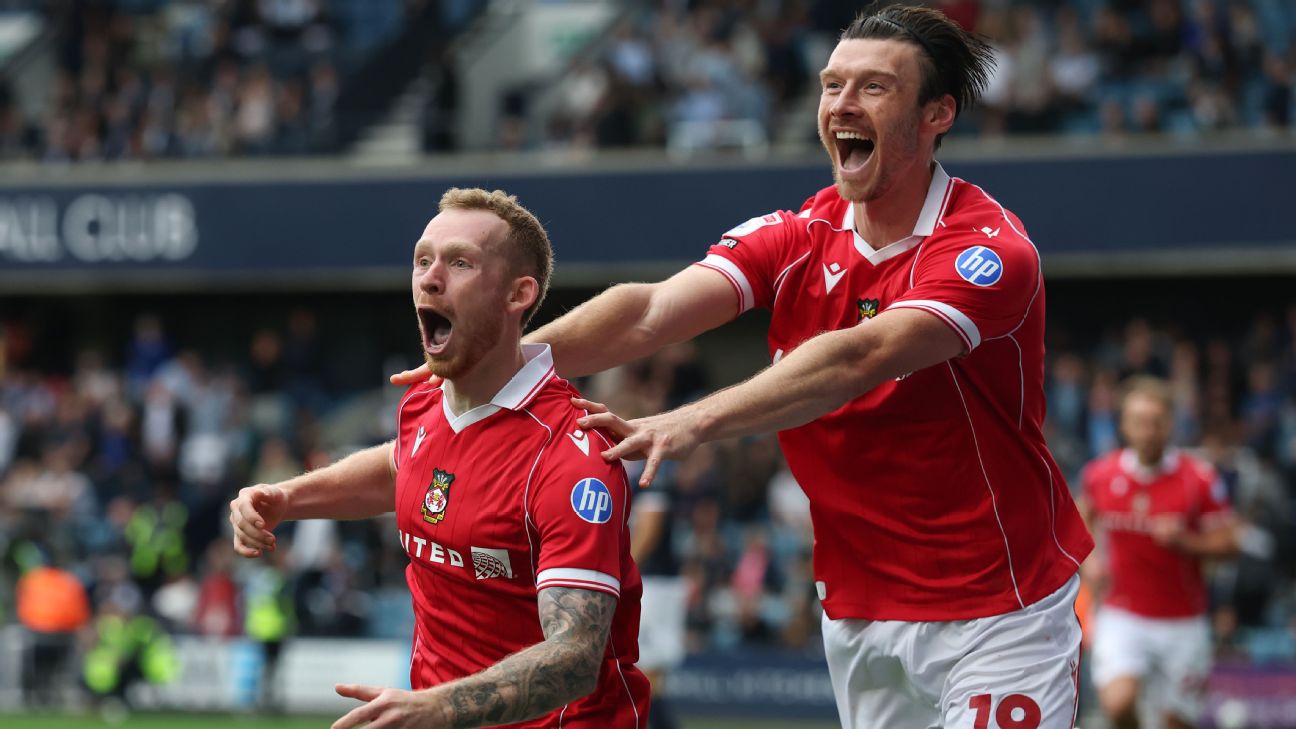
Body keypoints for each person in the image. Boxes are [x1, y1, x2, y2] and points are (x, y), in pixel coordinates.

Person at [394, 5, 1094, 727]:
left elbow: (866, 353)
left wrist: (696, 418)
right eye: (831, 85)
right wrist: (501, 358)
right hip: (858, 613)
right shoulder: (796, 235)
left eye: (875, 87)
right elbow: (649, 311)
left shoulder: (987, 250)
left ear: (936, 114)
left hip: (997, 608)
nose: (842, 104)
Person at [230, 188, 649, 728]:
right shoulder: (423, 403)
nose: (429, 277)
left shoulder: (572, 458)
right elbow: (397, 468)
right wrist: (289, 497)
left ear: (518, 294)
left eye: (460, 263)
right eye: (422, 260)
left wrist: (439, 706)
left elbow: (574, 659)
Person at [1079, 377, 1240, 729]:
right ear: (1124, 423)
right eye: (1139, 421)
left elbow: (1231, 543)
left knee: (1176, 723)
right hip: (1123, 614)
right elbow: (1080, 520)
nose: (1147, 431)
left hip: (1183, 621)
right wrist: (1091, 563)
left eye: (1156, 422)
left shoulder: (1198, 478)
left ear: (1171, 424)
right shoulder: (1100, 475)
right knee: (1118, 704)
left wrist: (1186, 541)